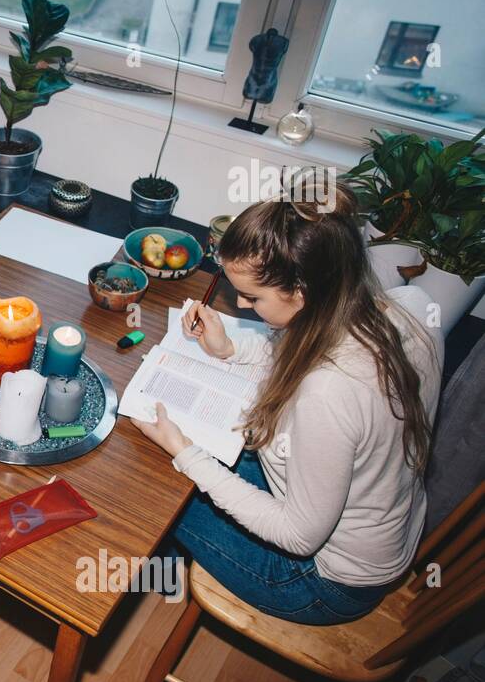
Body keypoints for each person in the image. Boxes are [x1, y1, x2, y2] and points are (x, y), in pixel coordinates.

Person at [131, 182, 441, 625]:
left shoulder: (329, 393)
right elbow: (309, 350)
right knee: (194, 458)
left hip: (321, 581)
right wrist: (229, 351)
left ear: (302, 292)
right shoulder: (410, 305)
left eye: (252, 298)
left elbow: (297, 536)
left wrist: (186, 453)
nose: (239, 304)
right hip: (386, 527)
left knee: (159, 487)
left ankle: (168, 561)